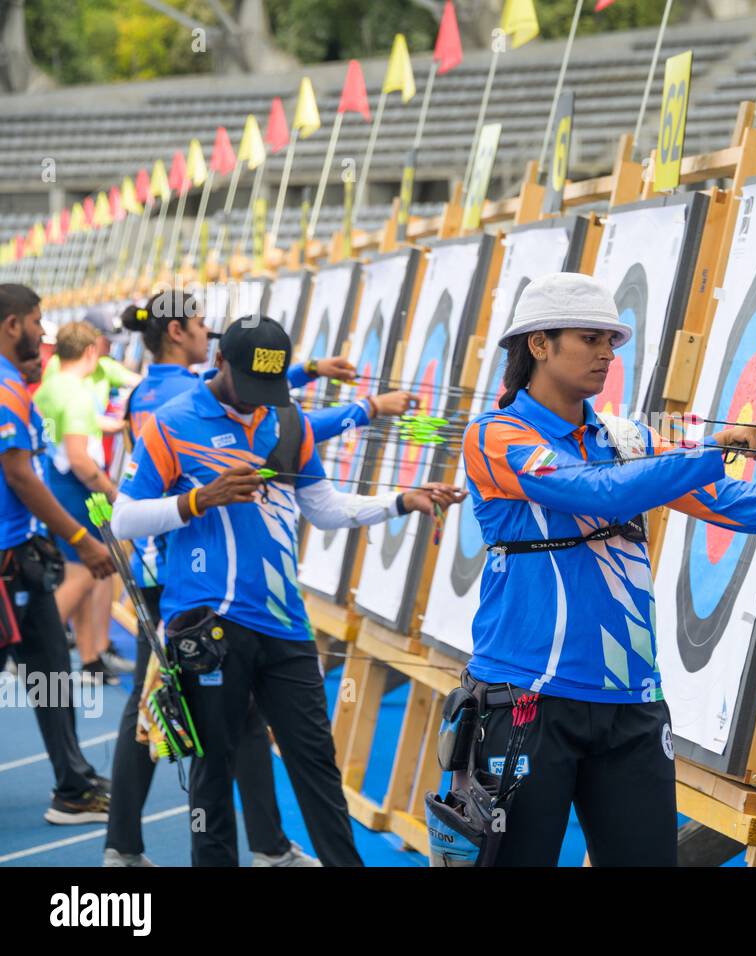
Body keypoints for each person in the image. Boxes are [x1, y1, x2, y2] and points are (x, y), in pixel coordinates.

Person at [444, 273, 756, 866]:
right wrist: (716, 449)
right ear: (539, 344)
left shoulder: (622, 438)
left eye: (612, 343)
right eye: (590, 339)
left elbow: (733, 504)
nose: (605, 355)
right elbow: (599, 492)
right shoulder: (495, 435)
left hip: (631, 701)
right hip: (525, 699)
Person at [111, 314, 464, 866]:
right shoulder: (170, 422)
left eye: (267, 391)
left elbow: (323, 508)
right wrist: (199, 500)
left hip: (284, 624)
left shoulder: (286, 418)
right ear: (219, 362)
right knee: (213, 771)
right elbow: (123, 519)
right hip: (208, 625)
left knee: (316, 763)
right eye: (248, 386)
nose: (257, 403)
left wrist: (399, 500)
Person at [0, 284, 118, 825]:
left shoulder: (18, 386)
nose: (41, 335)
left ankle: (74, 784)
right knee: (48, 672)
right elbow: (20, 474)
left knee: (51, 670)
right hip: (8, 564)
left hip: (17, 557)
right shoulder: (6, 390)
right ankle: (73, 787)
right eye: (35, 323)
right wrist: (81, 539)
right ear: (11, 325)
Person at [34, 321, 123, 686]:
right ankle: (32, 649)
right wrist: (115, 494)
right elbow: (79, 458)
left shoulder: (50, 386)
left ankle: (89, 659)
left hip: (56, 486)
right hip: (79, 489)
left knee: (87, 573)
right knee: (87, 571)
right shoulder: (75, 391)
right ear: (90, 351)